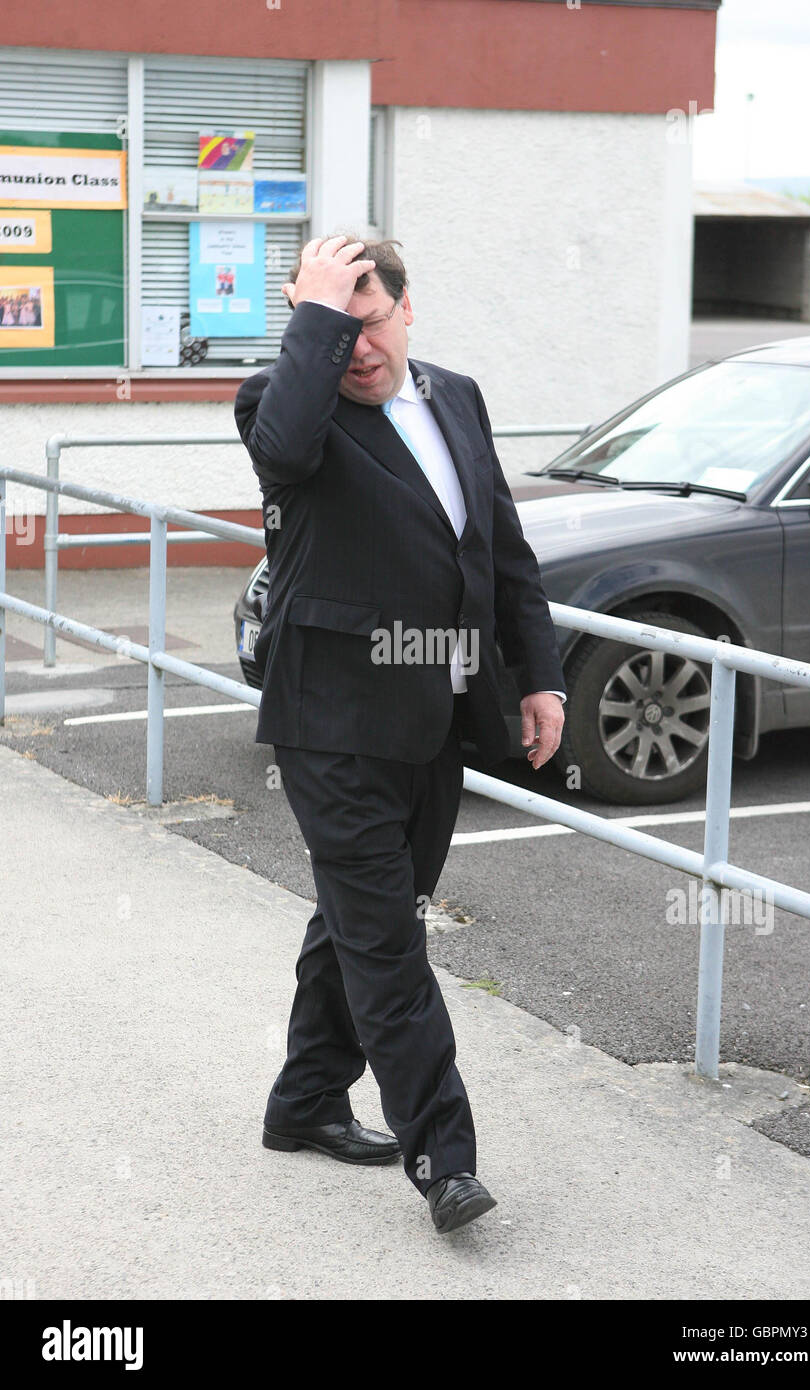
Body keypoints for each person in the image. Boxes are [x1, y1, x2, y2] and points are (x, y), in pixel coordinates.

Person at [235, 235, 566, 1233]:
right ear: (306, 331)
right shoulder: (285, 406)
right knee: (387, 941)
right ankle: (443, 1155)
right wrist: (320, 316)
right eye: (330, 328)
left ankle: (301, 1102)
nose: (356, 350)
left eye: (368, 316)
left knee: (359, 917)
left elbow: (500, 550)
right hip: (330, 722)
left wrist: (538, 676)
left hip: (438, 713)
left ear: (407, 307)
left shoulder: (455, 396)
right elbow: (283, 454)